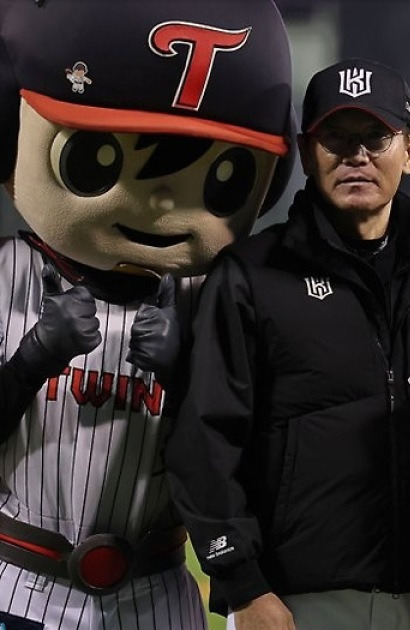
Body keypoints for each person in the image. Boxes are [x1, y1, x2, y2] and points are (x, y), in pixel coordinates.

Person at [0, 1, 294, 628]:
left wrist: (190, 377)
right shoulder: (4, 274)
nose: (160, 203)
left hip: (157, 594)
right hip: (16, 583)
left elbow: (256, 458)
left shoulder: (218, 296)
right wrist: (27, 363)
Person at [163, 58, 410, 629]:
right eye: (336, 136)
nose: (356, 155)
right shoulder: (252, 274)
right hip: (289, 600)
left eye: (375, 136)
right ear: (307, 152)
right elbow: (203, 439)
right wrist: (242, 586)